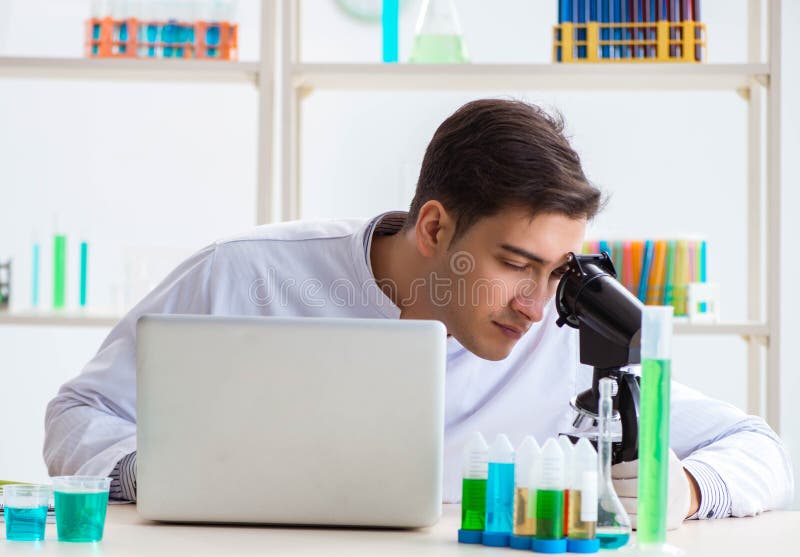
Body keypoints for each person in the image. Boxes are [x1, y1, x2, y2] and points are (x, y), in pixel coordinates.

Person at [44, 99, 794, 528]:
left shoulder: (564, 329)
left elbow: (756, 445)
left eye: (557, 270)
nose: (537, 303)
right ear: (436, 228)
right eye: (515, 263)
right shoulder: (245, 274)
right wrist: (164, 472)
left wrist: (686, 487)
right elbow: (80, 411)